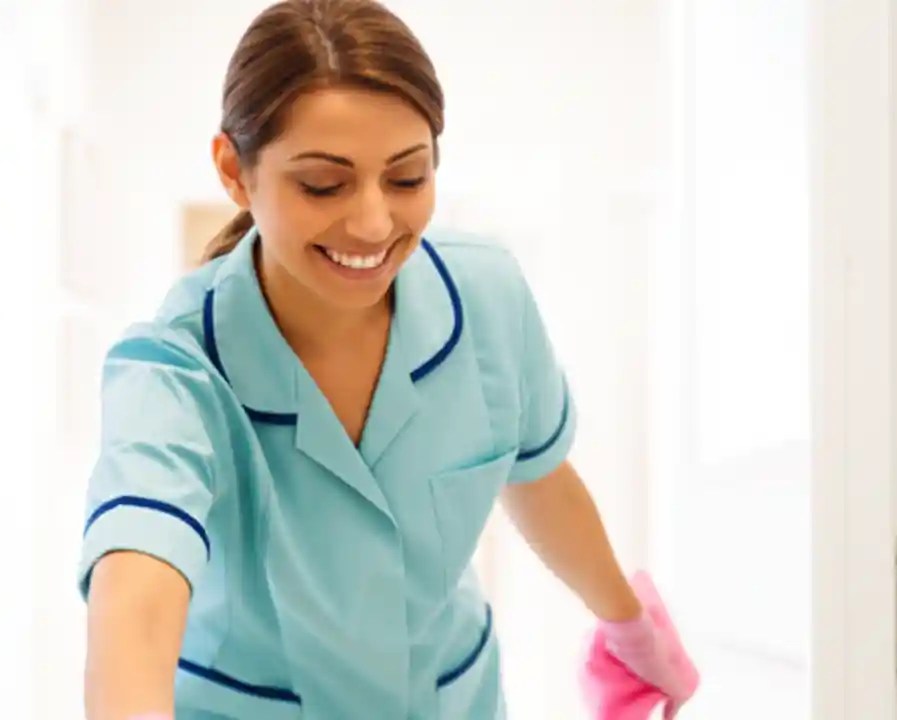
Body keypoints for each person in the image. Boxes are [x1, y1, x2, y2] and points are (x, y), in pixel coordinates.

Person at [79, 1, 695, 718]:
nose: (373, 223)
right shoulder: (175, 368)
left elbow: (535, 474)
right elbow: (138, 591)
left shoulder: (488, 297)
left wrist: (628, 624)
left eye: (406, 179)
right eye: (322, 184)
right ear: (234, 171)